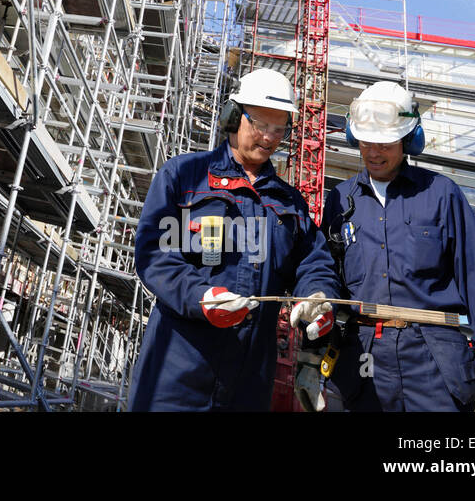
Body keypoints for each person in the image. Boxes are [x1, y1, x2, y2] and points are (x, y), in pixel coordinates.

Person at [127, 68, 340, 411]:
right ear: (233, 117)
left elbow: (313, 263)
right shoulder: (185, 177)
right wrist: (200, 296)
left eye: (279, 128)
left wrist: (318, 296)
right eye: (259, 124)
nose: (269, 138)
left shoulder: (289, 204)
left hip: (248, 382)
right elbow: (156, 255)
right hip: (176, 372)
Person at [320, 81, 475, 412]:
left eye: (384, 144)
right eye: (366, 142)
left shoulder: (441, 193)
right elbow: (327, 274)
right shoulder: (340, 199)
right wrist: (314, 353)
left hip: (434, 358)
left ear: (408, 140)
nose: (373, 152)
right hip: (363, 357)